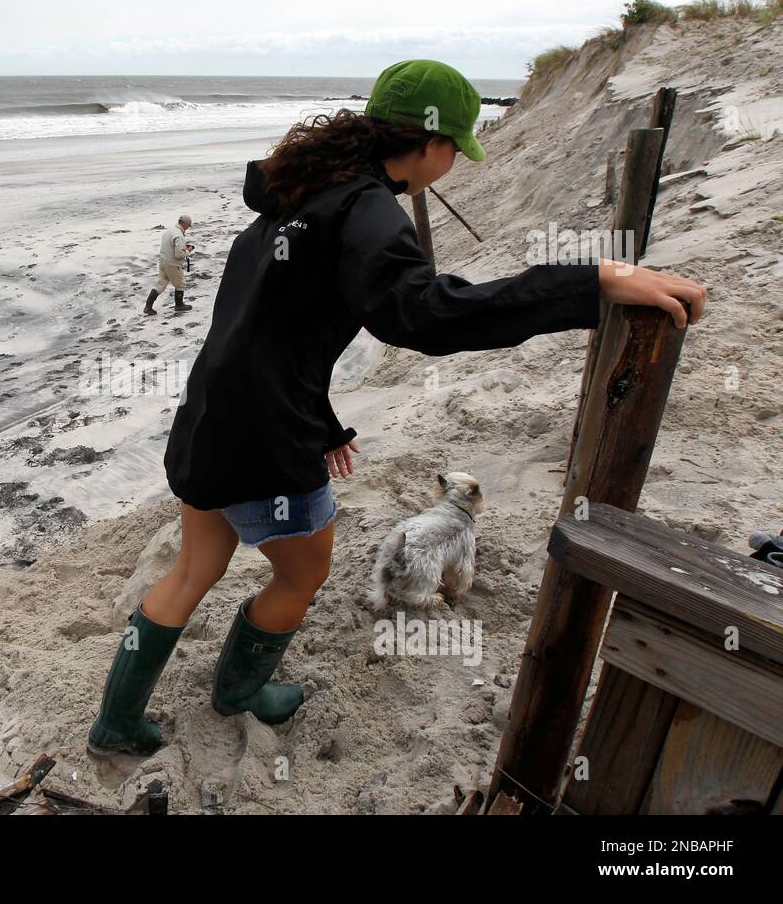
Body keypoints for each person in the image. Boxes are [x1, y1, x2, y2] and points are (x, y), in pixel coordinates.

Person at [88, 59, 708, 757]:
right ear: (429, 145)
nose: (453, 164)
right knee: (303, 574)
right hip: (264, 442)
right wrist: (590, 283)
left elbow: (255, 334)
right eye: (455, 150)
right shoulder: (365, 208)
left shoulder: (291, 199)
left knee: (192, 572)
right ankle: (239, 693)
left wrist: (320, 423)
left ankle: (115, 725)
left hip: (206, 423)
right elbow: (425, 317)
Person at [145, 213, 194, 314]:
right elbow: (179, 255)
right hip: (172, 264)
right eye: (188, 226)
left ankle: (148, 307)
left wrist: (183, 246)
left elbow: (170, 246)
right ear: (184, 224)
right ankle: (179, 305)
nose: (188, 228)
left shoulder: (169, 231)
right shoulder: (179, 235)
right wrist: (188, 250)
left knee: (160, 285)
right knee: (180, 284)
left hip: (163, 262)